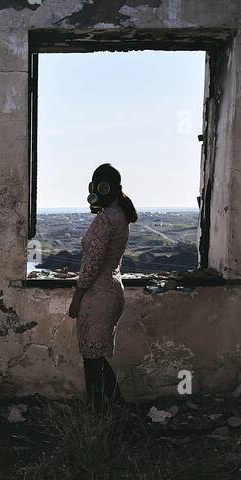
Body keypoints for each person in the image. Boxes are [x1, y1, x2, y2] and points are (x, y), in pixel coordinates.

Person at [68, 163, 138, 415]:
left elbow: (92, 263)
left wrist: (77, 298)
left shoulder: (106, 218)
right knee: (95, 356)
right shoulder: (119, 213)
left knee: (91, 360)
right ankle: (118, 408)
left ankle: (96, 416)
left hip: (97, 294)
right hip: (112, 290)